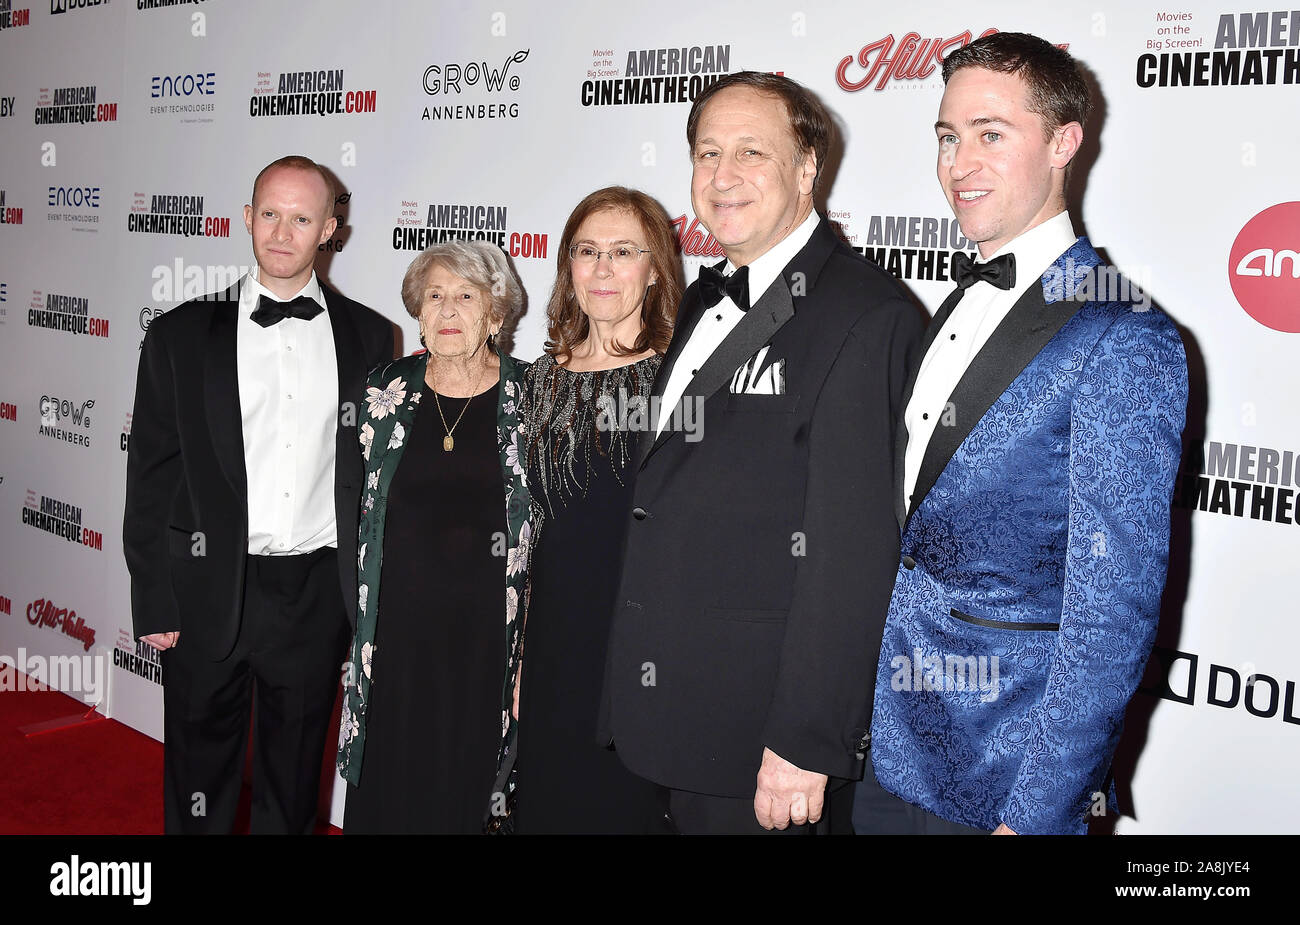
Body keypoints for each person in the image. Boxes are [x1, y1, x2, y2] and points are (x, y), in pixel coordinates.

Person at [861, 32, 1189, 835]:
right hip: (884, 751)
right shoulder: (953, 305)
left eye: (990, 133)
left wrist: (1037, 816)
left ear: (1064, 142)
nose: (958, 161)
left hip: (998, 785)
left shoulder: (1125, 336)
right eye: (947, 136)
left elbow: (1109, 617)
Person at [600, 72, 923, 834]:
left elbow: (854, 552)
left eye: (752, 152)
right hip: (671, 721)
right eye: (708, 153)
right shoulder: (703, 300)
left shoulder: (866, 315)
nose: (722, 175)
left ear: (808, 169)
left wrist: (807, 742)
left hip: (762, 746)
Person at [124, 155, 393, 834]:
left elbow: (374, 472)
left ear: (329, 228)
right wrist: (152, 595)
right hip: (205, 584)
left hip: (313, 594)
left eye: (302, 218)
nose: (281, 231)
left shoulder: (370, 335)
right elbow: (151, 474)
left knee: (293, 783)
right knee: (198, 778)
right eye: (269, 213)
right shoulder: (180, 334)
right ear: (247, 217)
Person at [337, 239, 531, 834]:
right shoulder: (380, 395)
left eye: (465, 297)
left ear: (495, 313)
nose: (447, 311)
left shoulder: (535, 398)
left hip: (487, 643)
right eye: (434, 296)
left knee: (470, 794)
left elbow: (554, 528)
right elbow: (352, 513)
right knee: (392, 790)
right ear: (417, 310)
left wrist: (535, 652)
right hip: (394, 640)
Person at [513, 187, 682, 834]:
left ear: (656, 267)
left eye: (622, 252)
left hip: (643, 646)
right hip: (556, 643)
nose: (603, 268)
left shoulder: (677, 382)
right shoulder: (538, 380)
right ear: (567, 267)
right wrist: (523, 655)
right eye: (587, 251)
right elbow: (530, 530)